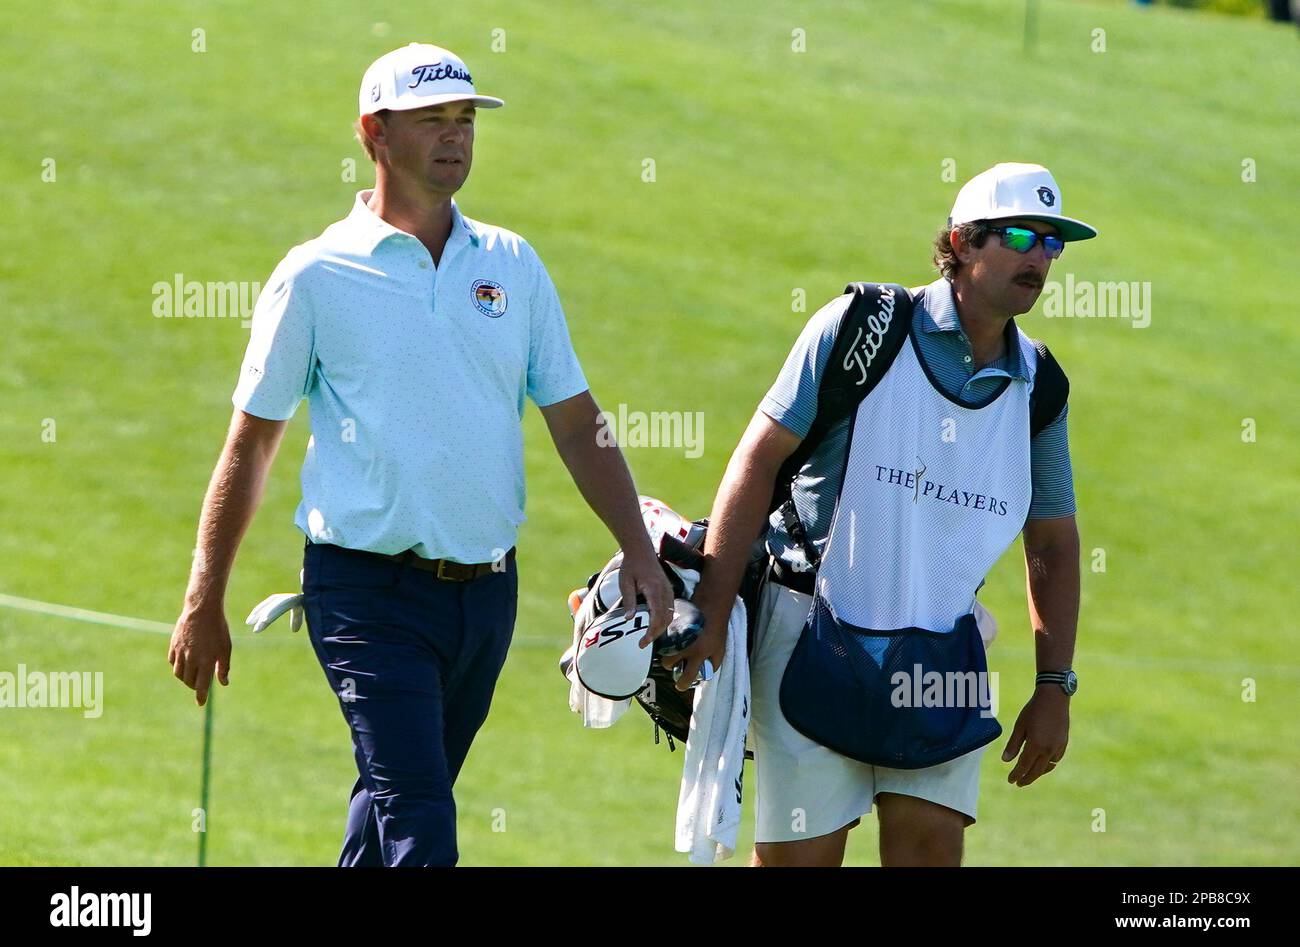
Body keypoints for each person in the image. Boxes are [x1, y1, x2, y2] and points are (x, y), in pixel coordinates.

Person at [167, 42, 672, 866]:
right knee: (421, 825)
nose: (455, 137)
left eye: (465, 119)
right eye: (431, 120)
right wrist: (203, 597)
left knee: (390, 813)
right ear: (374, 133)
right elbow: (251, 445)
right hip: (366, 594)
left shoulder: (512, 265)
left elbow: (579, 424)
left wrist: (637, 548)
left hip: (486, 598)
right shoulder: (315, 275)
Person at [666, 163, 1093, 866]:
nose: (1040, 256)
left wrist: (1054, 686)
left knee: (930, 855)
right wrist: (712, 610)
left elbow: (1052, 540)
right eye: (1021, 234)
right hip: (808, 630)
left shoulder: (1040, 385)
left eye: (1054, 243)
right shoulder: (862, 326)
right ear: (962, 240)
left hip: (944, 651)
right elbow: (758, 457)